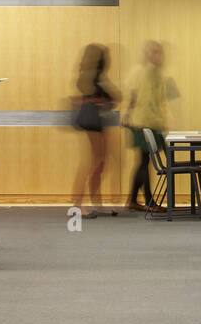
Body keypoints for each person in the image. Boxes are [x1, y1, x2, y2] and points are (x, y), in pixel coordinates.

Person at [123, 41, 177, 212]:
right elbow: (136, 96)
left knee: (143, 161)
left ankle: (133, 199)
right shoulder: (147, 72)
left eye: (160, 53)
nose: (158, 56)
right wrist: (128, 115)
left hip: (145, 121)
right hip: (144, 122)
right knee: (144, 162)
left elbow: (151, 98)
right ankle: (148, 201)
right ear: (147, 54)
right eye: (154, 52)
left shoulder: (152, 73)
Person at [73, 43, 121, 219]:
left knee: (100, 163)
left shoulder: (94, 75)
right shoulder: (90, 75)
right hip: (92, 120)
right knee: (94, 163)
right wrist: (99, 99)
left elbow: (111, 96)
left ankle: (96, 203)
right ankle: (78, 205)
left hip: (96, 120)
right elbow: (103, 95)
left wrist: (101, 99)